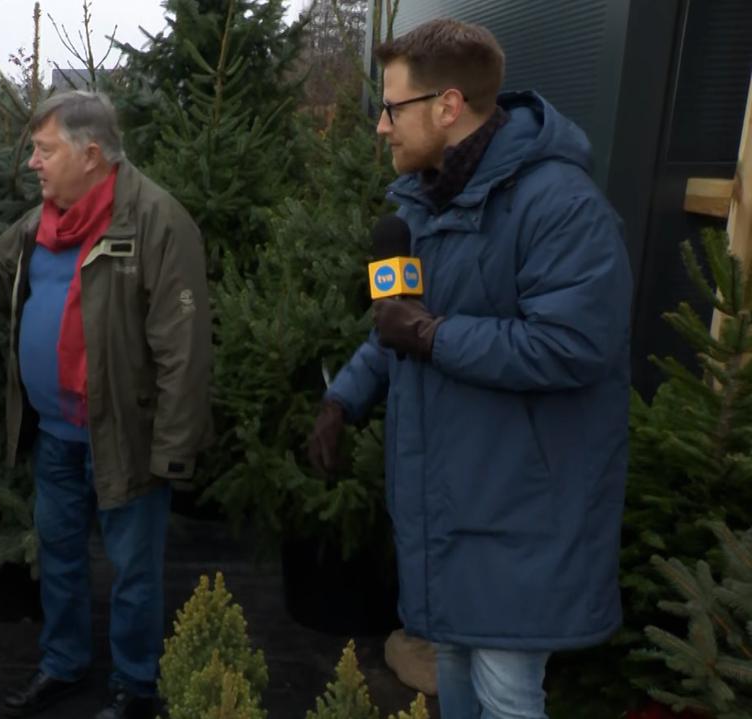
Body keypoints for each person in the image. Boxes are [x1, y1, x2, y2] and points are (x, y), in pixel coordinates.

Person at [307, 18, 632, 719]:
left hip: (521, 513)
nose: (381, 127)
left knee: (508, 696)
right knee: (451, 669)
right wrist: (344, 397)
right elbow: (401, 322)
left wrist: (432, 333)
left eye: (392, 109)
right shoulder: (428, 200)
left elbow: (571, 344)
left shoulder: (560, 206)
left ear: (448, 106)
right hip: (451, 507)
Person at [0, 91, 212, 719]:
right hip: (57, 433)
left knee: (133, 570)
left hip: (126, 436)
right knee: (60, 557)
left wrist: (173, 450)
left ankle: (134, 685)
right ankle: (64, 664)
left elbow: (183, 347)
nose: (34, 164)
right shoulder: (45, 218)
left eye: (44, 151)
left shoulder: (156, 221)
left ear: (90, 154)